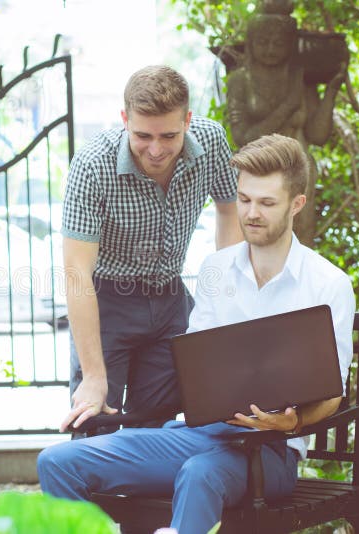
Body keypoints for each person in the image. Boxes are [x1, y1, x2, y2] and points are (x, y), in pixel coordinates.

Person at [38, 134, 356, 534]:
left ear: (296, 204)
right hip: (198, 434)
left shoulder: (328, 284)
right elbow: (197, 365)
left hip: (271, 453)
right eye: (244, 199)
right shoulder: (216, 269)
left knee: (200, 473)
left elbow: (331, 394)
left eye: (267, 203)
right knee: (58, 462)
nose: (252, 213)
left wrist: (290, 423)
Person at [60, 65, 242, 434]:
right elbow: (77, 274)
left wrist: (227, 290)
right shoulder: (93, 165)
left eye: (169, 135)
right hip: (108, 302)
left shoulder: (211, 142)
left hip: (171, 300)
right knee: (95, 424)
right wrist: (94, 376)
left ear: (188, 120)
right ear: (125, 119)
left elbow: (230, 206)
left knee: (153, 433)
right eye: (142, 135)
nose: (156, 150)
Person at [225, 0, 346, 244]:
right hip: (255, 173)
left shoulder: (300, 79)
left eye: (279, 43)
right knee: (255, 242)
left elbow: (318, 135)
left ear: (291, 44)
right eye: (263, 42)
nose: (270, 49)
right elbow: (243, 137)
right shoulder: (241, 80)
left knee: (299, 246)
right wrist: (287, 107)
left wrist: (331, 93)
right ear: (251, 43)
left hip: (298, 174)